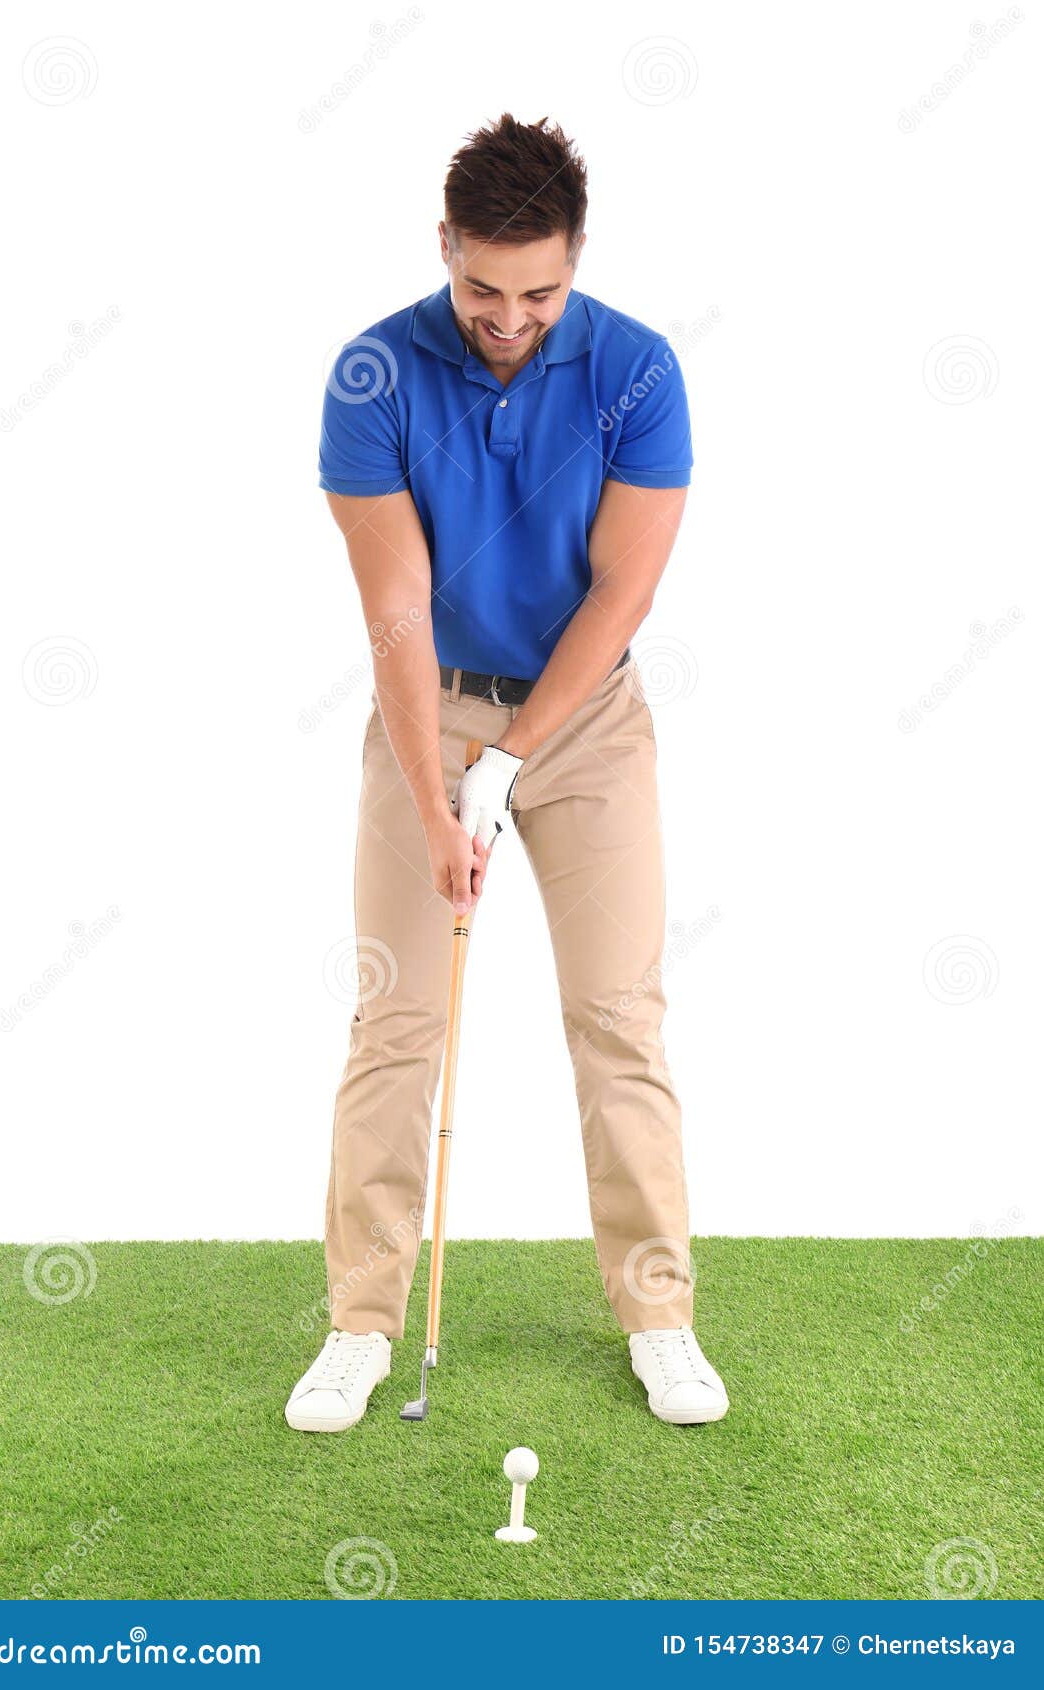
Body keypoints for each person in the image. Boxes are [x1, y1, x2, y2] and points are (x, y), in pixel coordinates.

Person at [286, 114, 728, 1433]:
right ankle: (361, 1324)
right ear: (445, 248)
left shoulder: (639, 371)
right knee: (396, 1019)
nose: (509, 319)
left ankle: (659, 1316)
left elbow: (621, 592)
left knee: (618, 1014)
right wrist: (438, 794)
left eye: (540, 293)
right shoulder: (373, 374)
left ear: (576, 259)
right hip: (427, 705)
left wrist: (519, 753)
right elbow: (395, 609)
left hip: (587, 716)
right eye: (484, 288)